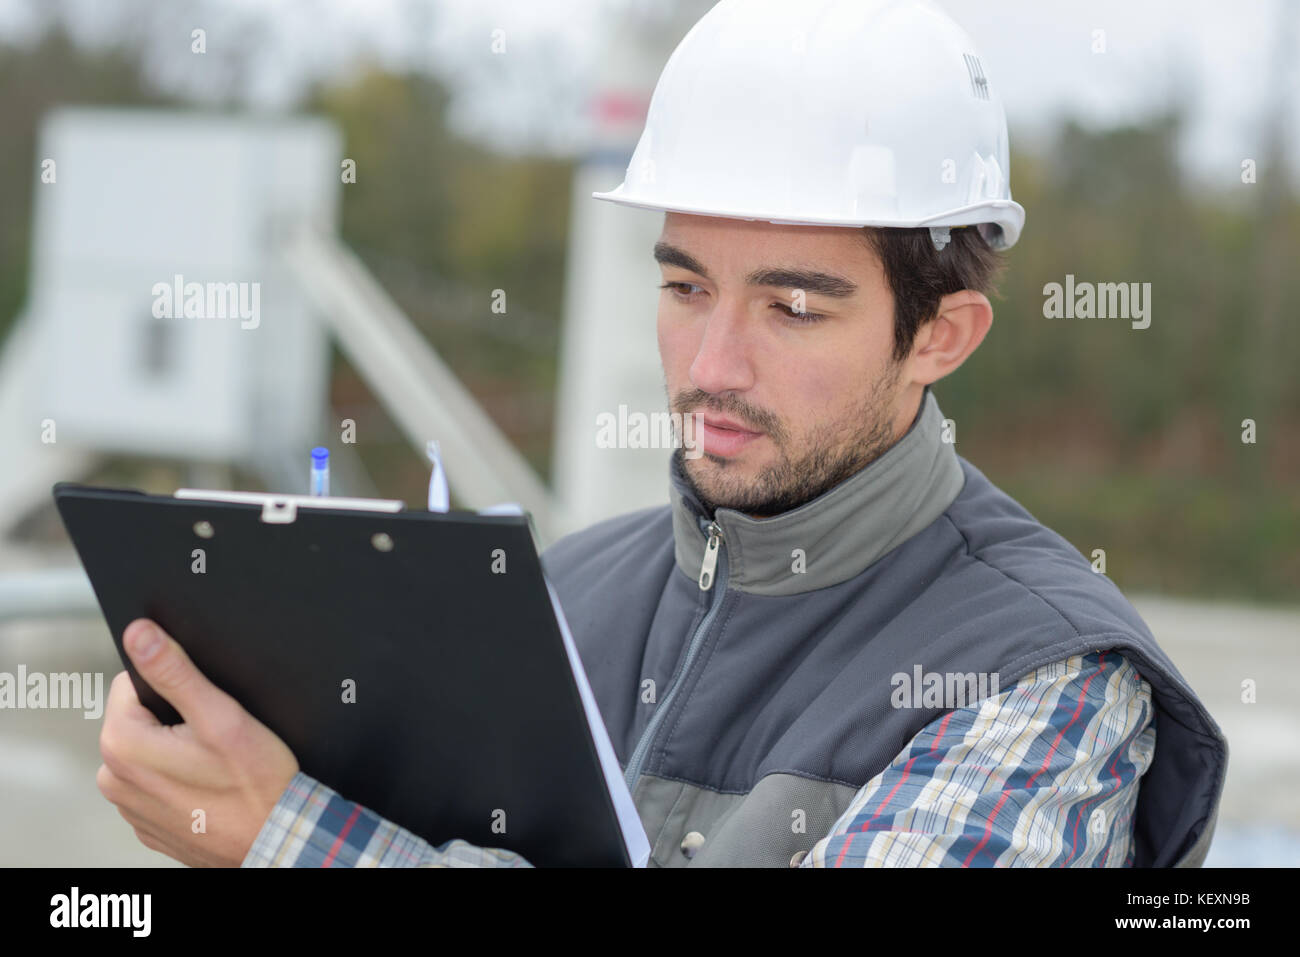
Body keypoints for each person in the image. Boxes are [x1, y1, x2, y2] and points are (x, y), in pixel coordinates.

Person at [96, 0, 1227, 868]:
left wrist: (290, 839)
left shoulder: (1040, 679)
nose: (712, 367)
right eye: (686, 289)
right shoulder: (550, 596)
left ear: (941, 334)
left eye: (792, 307)